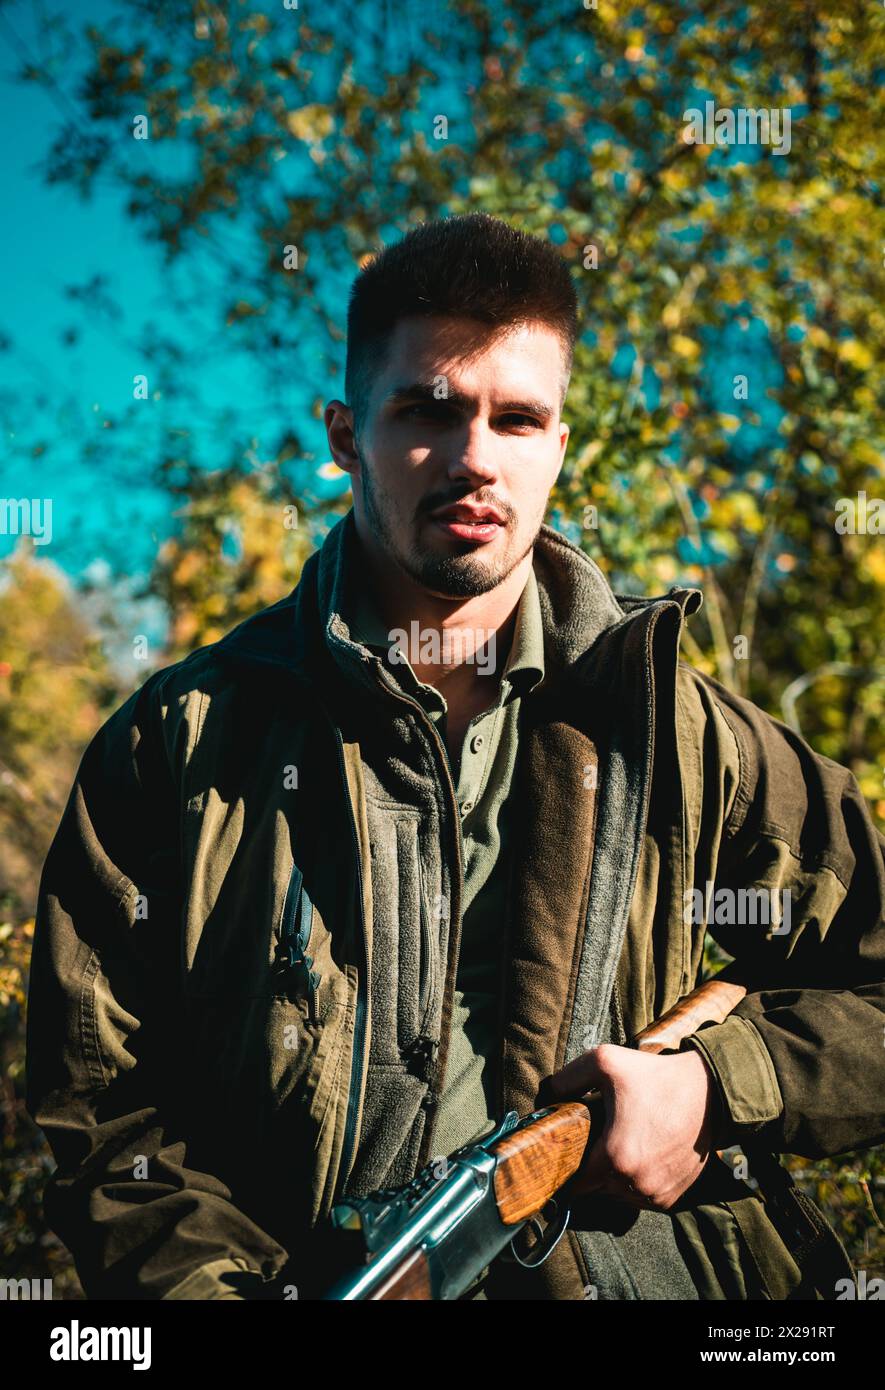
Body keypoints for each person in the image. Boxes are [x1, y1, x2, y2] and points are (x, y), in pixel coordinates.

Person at [26, 212, 885, 1301]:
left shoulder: (688, 736)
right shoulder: (179, 743)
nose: (477, 457)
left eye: (518, 419)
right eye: (428, 410)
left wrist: (721, 1088)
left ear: (560, 445)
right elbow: (103, 1110)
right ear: (346, 433)